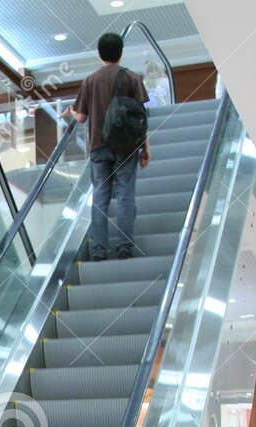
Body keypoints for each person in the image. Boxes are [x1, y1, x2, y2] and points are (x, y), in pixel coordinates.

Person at [68, 32, 151, 261]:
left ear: (100, 53)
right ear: (121, 52)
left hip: (98, 146)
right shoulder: (132, 78)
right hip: (126, 146)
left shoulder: (90, 81)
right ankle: (124, 246)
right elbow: (142, 117)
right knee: (125, 195)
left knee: (101, 198)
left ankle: (98, 250)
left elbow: (82, 117)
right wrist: (146, 148)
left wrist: (72, 111)